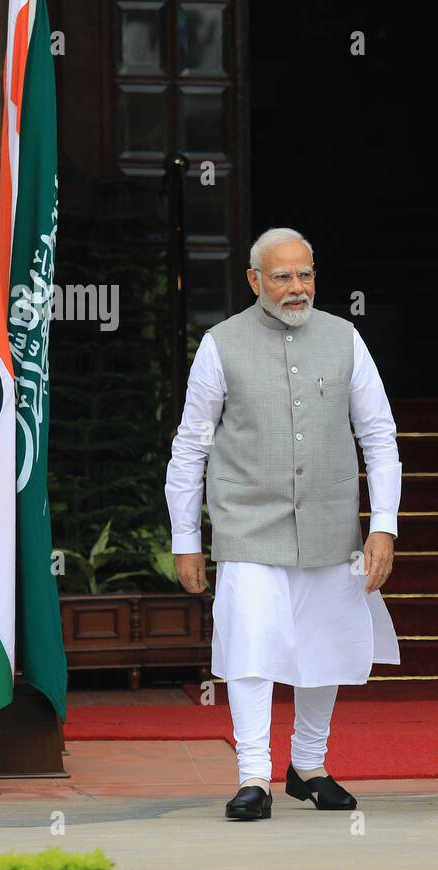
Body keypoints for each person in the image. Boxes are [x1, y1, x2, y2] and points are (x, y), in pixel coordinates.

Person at [166, 227, 402, 819]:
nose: (296, 288)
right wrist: (187, 540)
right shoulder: (221, 344)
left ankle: (309, 766)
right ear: (254, 280)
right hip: (248, 526)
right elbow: (191, 446)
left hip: (331, 527)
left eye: (305, 274)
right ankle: (253, 778)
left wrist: (384, 526)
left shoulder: (345, 337)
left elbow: (379, 436)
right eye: (282, 276)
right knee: (251, 649)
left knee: (324, 648)